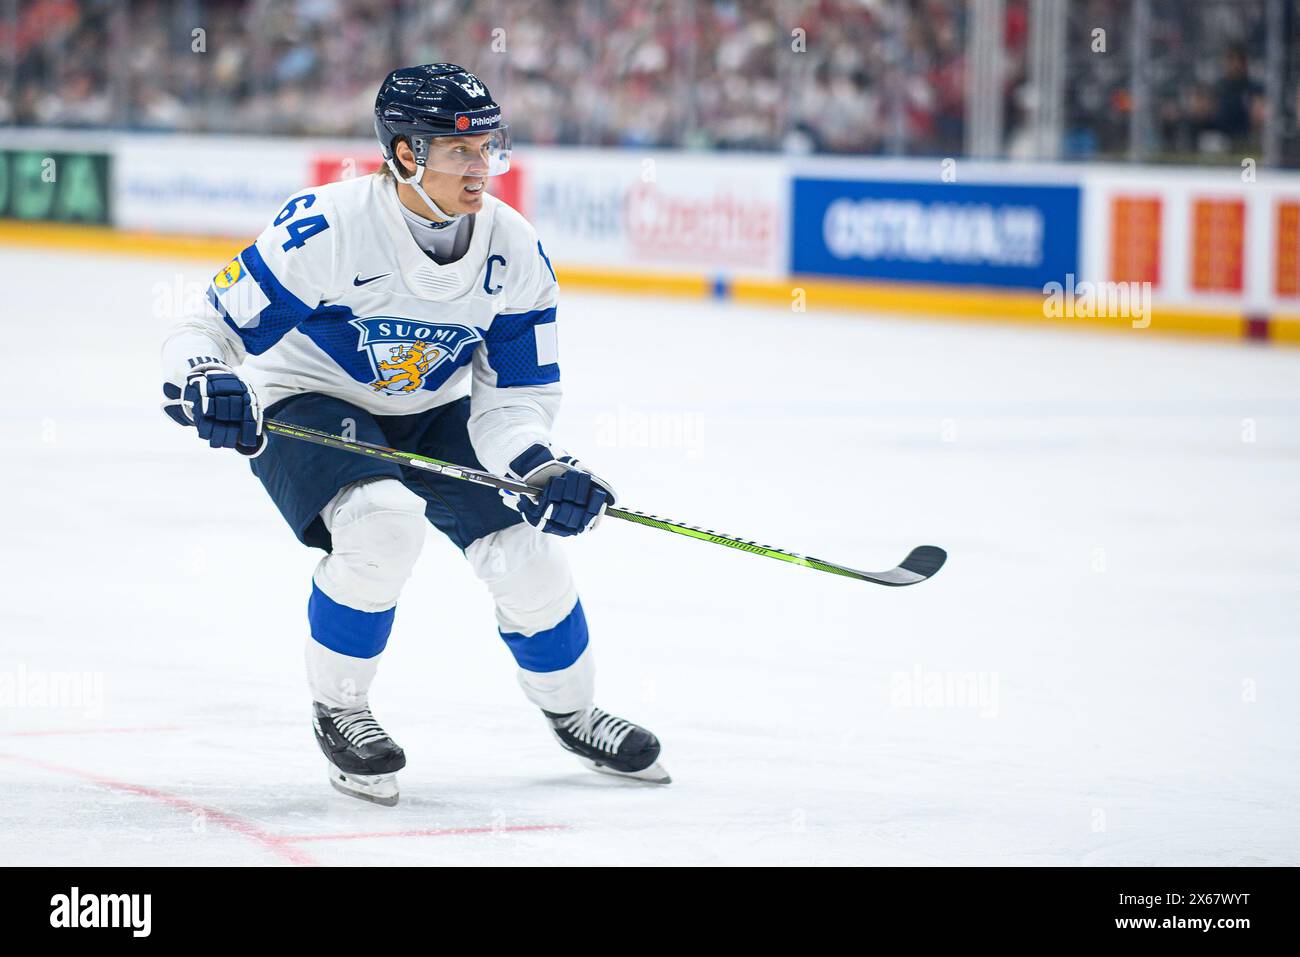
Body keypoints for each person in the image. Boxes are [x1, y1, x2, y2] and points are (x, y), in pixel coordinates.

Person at [161, 64, 668, 805]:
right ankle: (341, 708)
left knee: (523, 550)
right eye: (459, 150)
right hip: (307, 397)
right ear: (404, 154)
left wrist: (537, 468)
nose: (481, 166)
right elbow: (205, 326)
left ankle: (574, 710)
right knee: (381, 524)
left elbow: (515, 397)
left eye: (488, 146)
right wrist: (206, 376)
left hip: (432, 406)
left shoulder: (514, 250)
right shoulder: (328, 227)